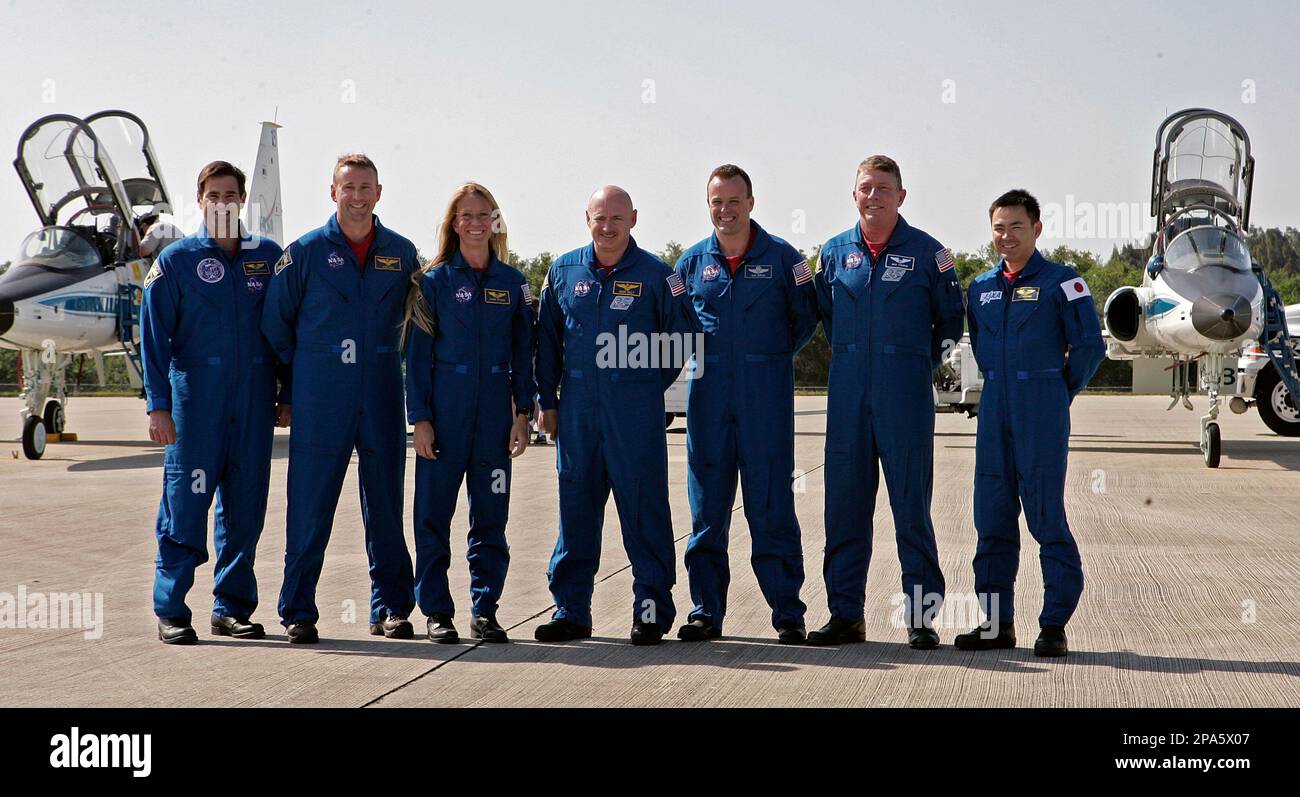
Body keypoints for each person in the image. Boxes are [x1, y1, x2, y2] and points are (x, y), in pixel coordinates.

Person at [810, 155, 966, 649]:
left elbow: (950, 322)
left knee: (911, 508)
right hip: (849, 390)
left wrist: (917, 364)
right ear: (853, 194)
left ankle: (921, 618)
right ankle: (845, 615)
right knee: (844, 507)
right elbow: (826, 317)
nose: (873, 196)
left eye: (883, 188)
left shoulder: (930, 254)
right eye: (864, 188)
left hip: (904, 392)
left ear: (901, 196)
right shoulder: (833, 254)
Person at [533, 185, 700, 645]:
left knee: (644, 510)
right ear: (586, 218)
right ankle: (571, 611)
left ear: (634, 219)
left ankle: (650, 612)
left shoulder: (658, 275)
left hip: (635, 415)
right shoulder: (563, 271)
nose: (607, 227)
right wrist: (547, 401)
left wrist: (644, 386)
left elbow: (682, 338)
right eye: (599, 218)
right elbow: (546, 340)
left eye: (617, 218)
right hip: (578, 413)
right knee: (576, 511)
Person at [262, 154, 418, 644]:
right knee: (309, 506)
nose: (357, 196)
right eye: (348, 187)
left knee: (387, 507)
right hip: (321, 396)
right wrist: (300, 379)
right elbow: (275, 324)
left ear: (378, 192)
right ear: (333, 193)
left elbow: (421, 325)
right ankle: (298, 610)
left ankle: (391, 607)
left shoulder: (403, 253)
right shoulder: (304, 253)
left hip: (382, 394)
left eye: (365, 187)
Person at [955, 189, 1104, 657]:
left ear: (1036, 229)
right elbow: (978, 343)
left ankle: (1054, 624)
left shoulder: (1065, 282)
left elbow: (1089, 348)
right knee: (992, 518)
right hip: (995, 403)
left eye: (1015, 226)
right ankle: (996, 623)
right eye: (998, 227)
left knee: (1046, 517)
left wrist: (1060, 391)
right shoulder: (980, 287)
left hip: (1041, 405)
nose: (1006, 236)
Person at [673, 164, 817, 644]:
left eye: (734, 201)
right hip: (708, 402)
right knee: (707, 511)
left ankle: (787, 612)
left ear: (751, 203)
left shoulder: (785, 259)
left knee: (772, 507)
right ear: (707, 204)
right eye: (717, 201)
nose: (725, 209)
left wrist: (766, 359)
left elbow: (804, 321)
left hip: (765, 403)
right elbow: (676, 326)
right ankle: (705, 611)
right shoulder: (690, 264)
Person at [141, 161, 284, 644]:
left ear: (243, 200)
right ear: (199, 200)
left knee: (245, 509)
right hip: (194, 405)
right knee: (184, 506)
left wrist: (285, 395)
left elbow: (286, 330)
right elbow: (154, 339)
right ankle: (172, 609)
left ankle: (231, 607)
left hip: (254, 402)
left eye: (230, 195)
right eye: (213, 195)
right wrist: (157, 405)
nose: (222, 203)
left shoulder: (268, 257)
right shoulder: (176, 261)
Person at [405, 183, 534, 644]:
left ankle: (486, 608)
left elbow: (524, 354)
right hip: (444, 415)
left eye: (484, 215)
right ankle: (437, 611)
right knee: (433, 518)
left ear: (495, 222)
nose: (476, 223)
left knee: (491, 519)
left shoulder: (513, 283)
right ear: (453, 223)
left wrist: (523, 414)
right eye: (466, 216)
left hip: (495, 419)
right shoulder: (432, 282)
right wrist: (419, 417)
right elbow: (418, 357)